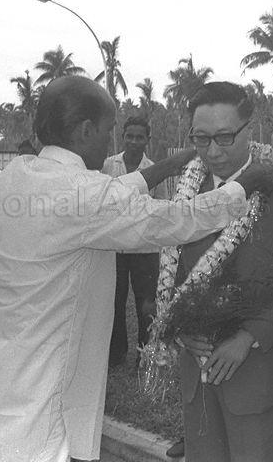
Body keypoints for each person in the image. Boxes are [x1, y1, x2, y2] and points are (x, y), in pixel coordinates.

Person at [0, 76, 273, 462]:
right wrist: (243, 187)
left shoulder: (15, 175)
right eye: (107, 132)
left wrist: (166, 166)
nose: (110, 144)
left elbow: (108, 194)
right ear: (86, 130)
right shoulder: (81, 194)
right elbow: (172, 222)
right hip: (28, 390)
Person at [171, 82, 273, 462]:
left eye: (225, 137)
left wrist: (249, 337)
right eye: (201, 139)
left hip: (259, 372)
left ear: (251, 128)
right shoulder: (184, 195)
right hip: (197, 371)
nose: (213, 151)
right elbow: (172, 276)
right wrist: (181, 328)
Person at [102, 114, 167, 367]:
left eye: (140, 137)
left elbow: (161, 206)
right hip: (114, 247)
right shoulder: (107, 166)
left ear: (147, 140)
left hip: (144, 247)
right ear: (123, 137)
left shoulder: (154, 169)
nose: (134, 141)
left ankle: (145, 354)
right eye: (130, 136)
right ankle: (116, 355)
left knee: (146, 302)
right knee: (114, 301)